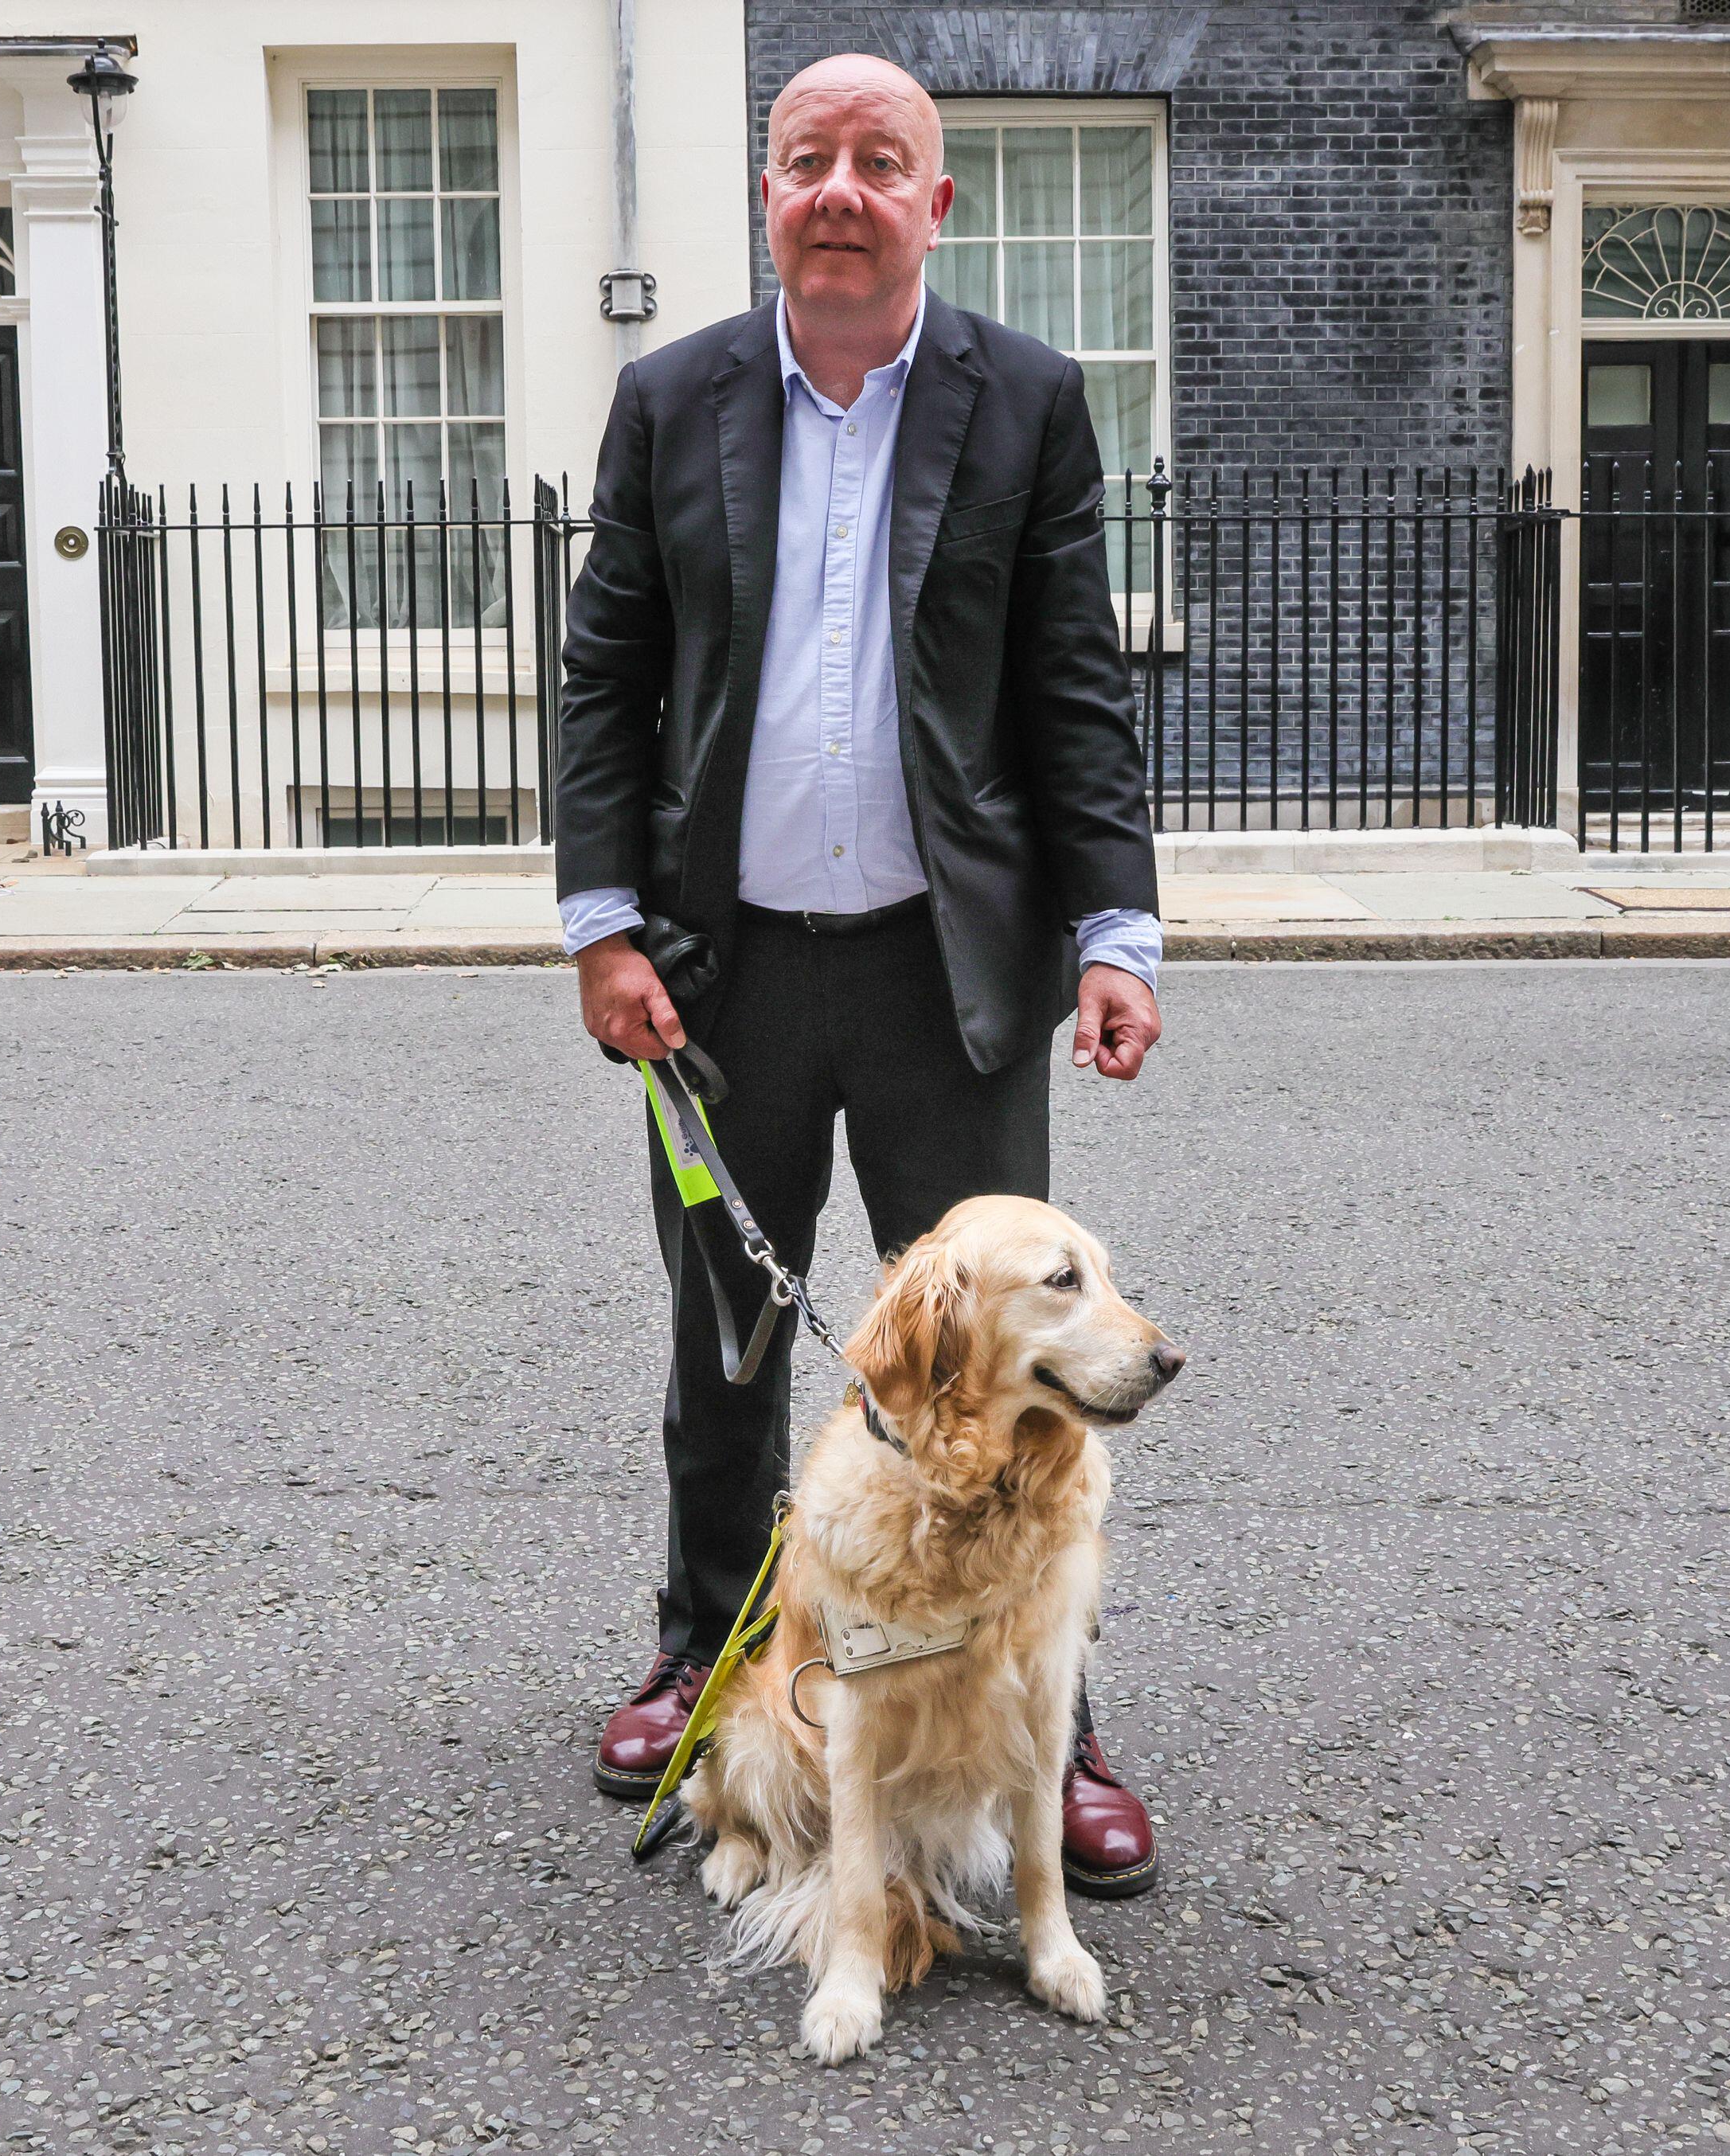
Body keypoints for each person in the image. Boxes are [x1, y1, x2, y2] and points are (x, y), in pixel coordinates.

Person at [554, 53, 1166, 1897]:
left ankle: (1046, 1712)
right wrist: (600, 922)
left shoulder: (1022, 401)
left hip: (944, 973)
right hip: (718, 972)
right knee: (728, 1340)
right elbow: (608, 675)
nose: (838, 187)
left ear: (932, 203)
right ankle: (711, 1648)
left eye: (876, 161)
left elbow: (1069, 681)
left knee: (1003, 1363)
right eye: (805, 158)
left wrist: (1113, 931)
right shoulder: (670, 400)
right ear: (767, 192)